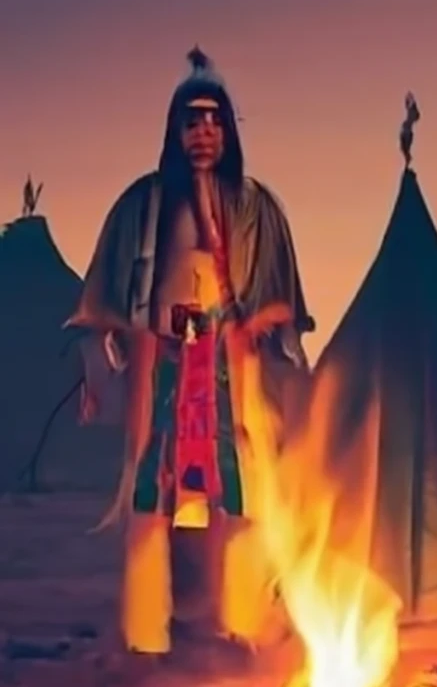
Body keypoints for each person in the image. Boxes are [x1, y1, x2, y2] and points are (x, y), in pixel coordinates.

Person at [68, 48, 315, 656]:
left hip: (229, 364)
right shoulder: (142, 204)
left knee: (237, 496)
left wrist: (253, 321)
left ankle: (237, 624)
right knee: (152, 494)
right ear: (174, 131)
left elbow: (283, 304)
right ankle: (146, 633)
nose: (203, 133)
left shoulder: (257, 207)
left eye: (214, 121)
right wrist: (96, 376)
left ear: (228, 130)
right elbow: (100, 304)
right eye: (191, 121)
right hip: (162, 361)